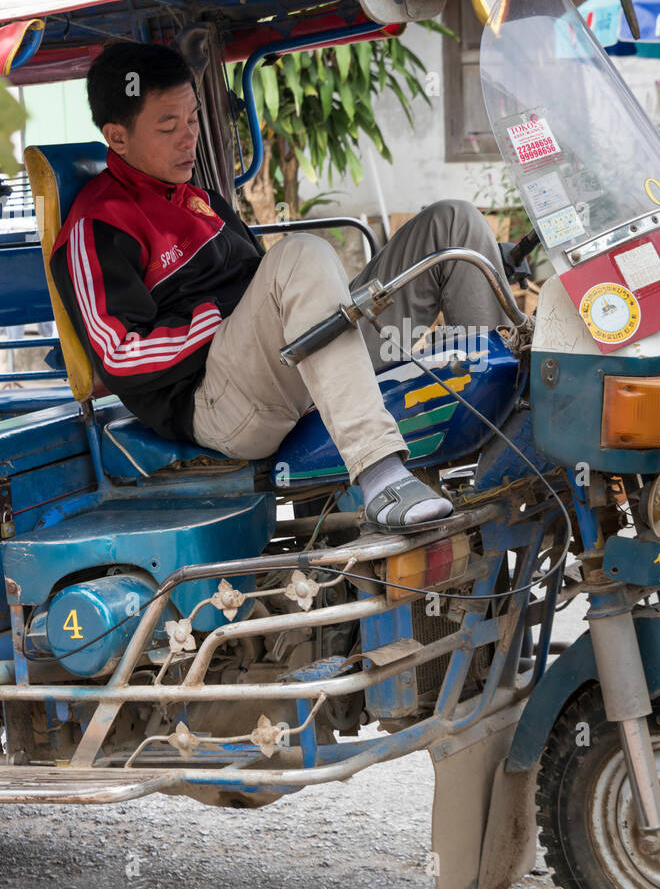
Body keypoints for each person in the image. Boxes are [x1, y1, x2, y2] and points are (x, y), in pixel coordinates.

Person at [50, 42, 512, 530]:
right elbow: (120, 356)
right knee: (302, 253)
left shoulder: (197, 200)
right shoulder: (97, 226)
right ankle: (379, 472)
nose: (188, 139)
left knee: (451, 224)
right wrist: (217, 320)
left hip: (286, 359)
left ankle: (503, 427)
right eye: (168, 127)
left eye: (192, 120)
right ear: (117, 138)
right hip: (220, 402)